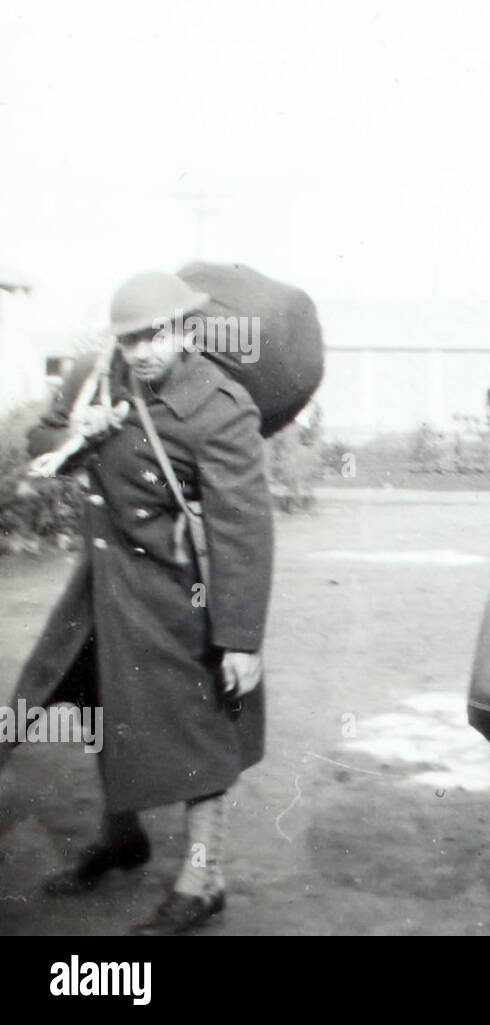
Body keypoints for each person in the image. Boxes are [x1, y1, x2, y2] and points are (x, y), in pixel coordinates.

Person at [7, 271, 274, 934]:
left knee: (198, 729)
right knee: (98, 700)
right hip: (101, 583)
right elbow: (40, 442)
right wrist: (79, 432)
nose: (145, 350)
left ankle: (202, 878)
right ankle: (121, 835)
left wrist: (239, 636)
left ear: (185, 329)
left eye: (158, 334)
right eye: (131, 339)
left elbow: (242, 527)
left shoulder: (219, 405)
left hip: (178, 595)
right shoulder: (96, 378)